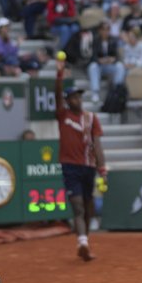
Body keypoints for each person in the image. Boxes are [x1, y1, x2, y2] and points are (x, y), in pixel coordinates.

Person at [55, 57, 107, 261]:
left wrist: (102, 167)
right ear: (68, 101)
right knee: (77, 205)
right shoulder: (63, 115)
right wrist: (59, 74)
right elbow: (56, 94)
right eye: (73, 97)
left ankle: (85, 240)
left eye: (79, 96)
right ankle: (82, 242)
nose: (77, 99)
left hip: (88, 166)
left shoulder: (92, 118)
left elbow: (97, 144)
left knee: (88, 207)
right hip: (70, 167)